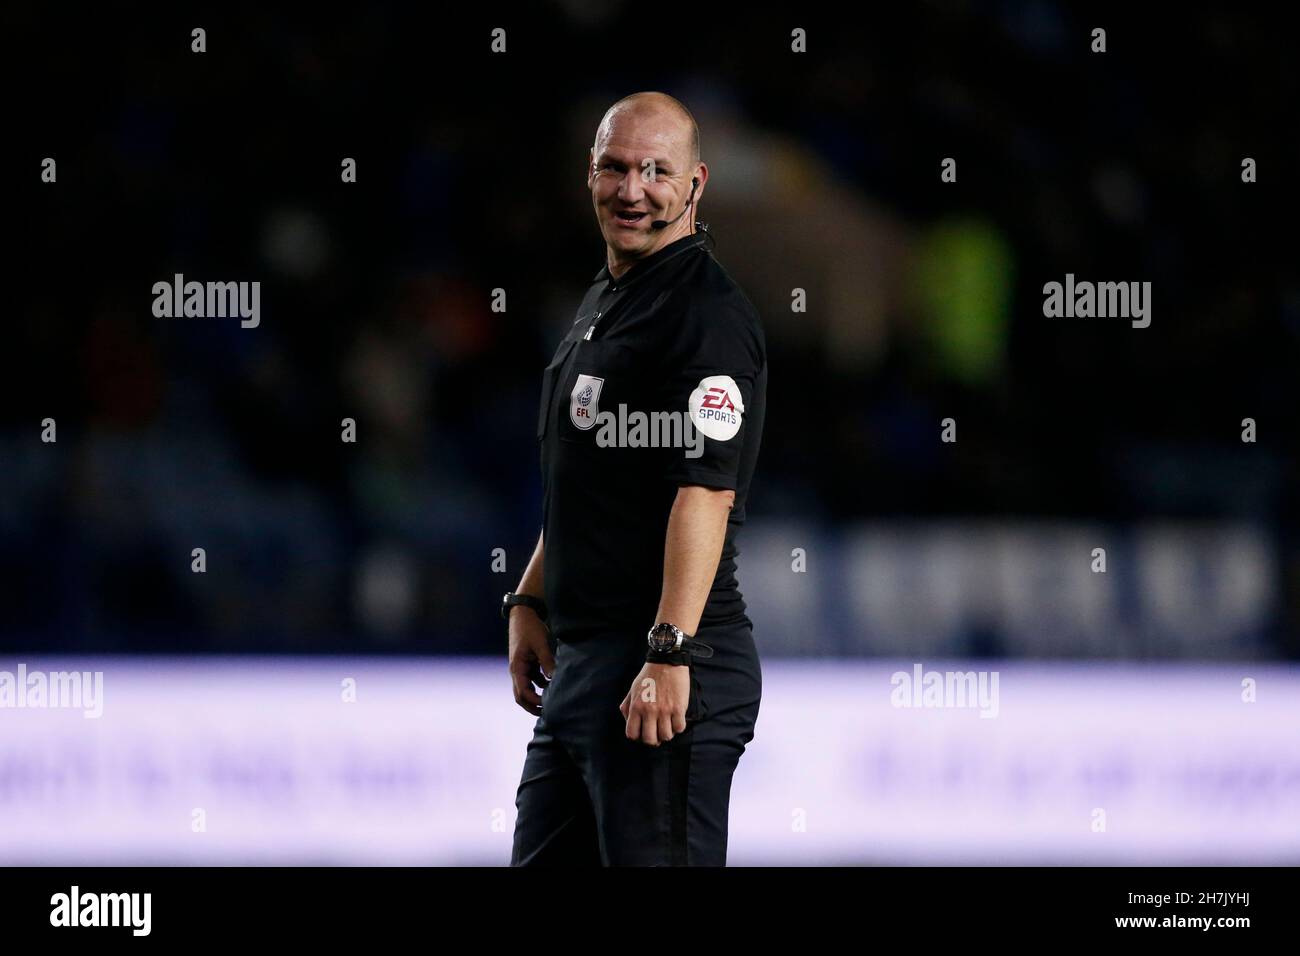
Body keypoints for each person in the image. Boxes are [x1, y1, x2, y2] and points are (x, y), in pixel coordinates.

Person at [505, 91, 767, 866]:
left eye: (657, 170)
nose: (633, 189)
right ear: (589, 175)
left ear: (696, 185)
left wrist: (669, 653)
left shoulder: (704, 315)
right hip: (588, 669)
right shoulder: (607, 298)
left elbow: (706, 490)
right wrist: (531, 596)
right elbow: (593, 481)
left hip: (663, 666)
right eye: (615, 168)